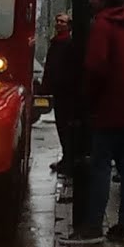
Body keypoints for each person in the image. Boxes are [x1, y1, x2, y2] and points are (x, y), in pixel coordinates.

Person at [60, 0, 124, 245]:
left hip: (109, 106)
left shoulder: (102, 26)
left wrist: (88, 101)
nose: (91, 2)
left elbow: (95, 67)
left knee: (101, 166)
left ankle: (93, 225)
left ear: (105, 1)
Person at [42, 12, 74, 173]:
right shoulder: (56, 43)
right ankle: (66, 157)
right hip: (58, 90)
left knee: (65, 125)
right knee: (61, 125)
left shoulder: (68, 43)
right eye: (57, 21)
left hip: (65, 91)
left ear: (68, 25)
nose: (59, 23)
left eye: (63, 21)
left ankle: (68, 159)